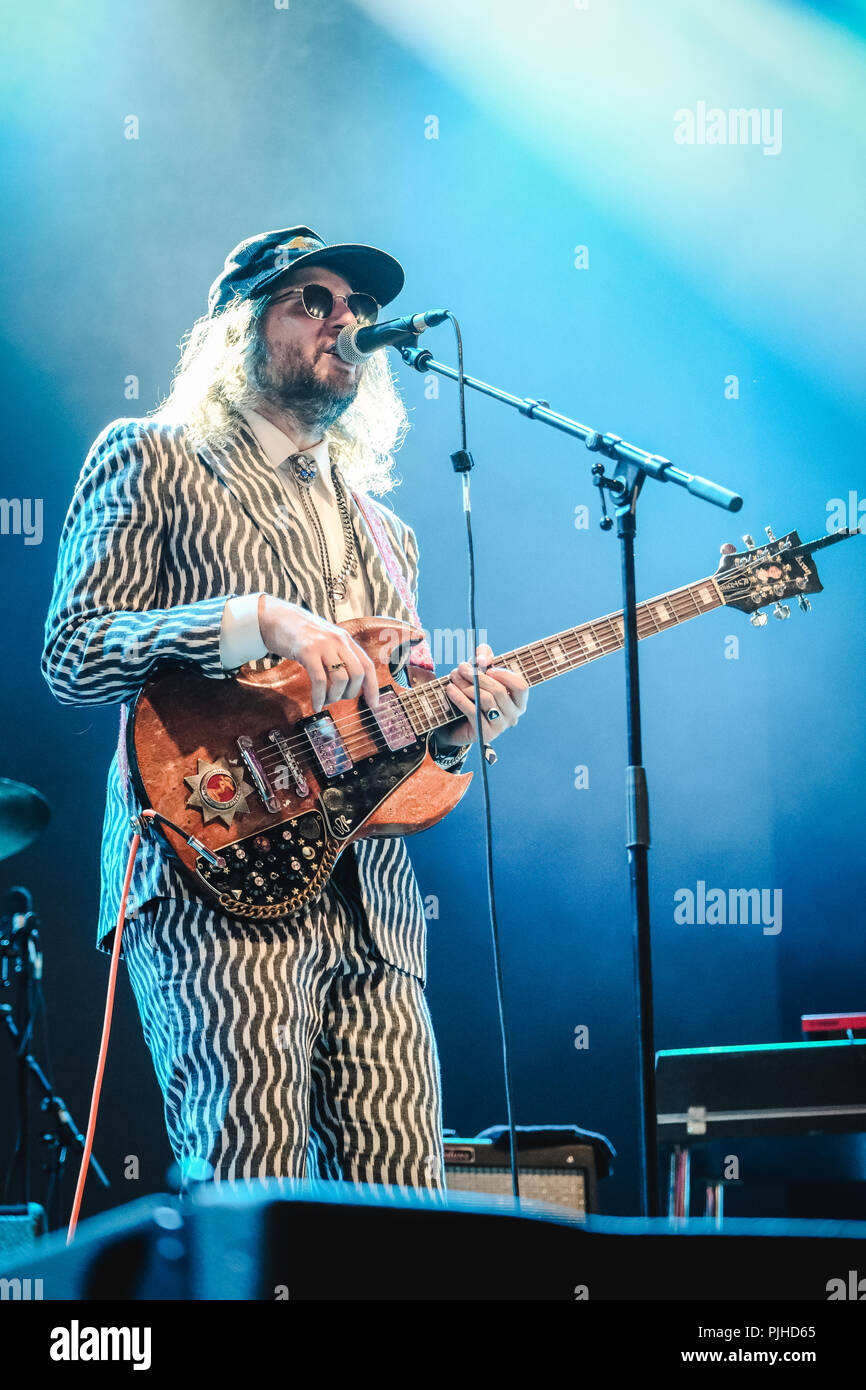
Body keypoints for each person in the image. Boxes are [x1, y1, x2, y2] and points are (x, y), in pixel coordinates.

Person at [42, 225, 529, 1191]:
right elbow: (75, 650)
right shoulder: (154, 456)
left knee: (405, 1217)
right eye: (314, 300)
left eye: (359, 309)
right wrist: (254, 619)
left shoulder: (389, 532)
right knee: (251, 1192)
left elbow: (379, 723)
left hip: (374, 910)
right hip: (212, 864)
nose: (345, 321)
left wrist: (456, 731)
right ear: (241, 325)